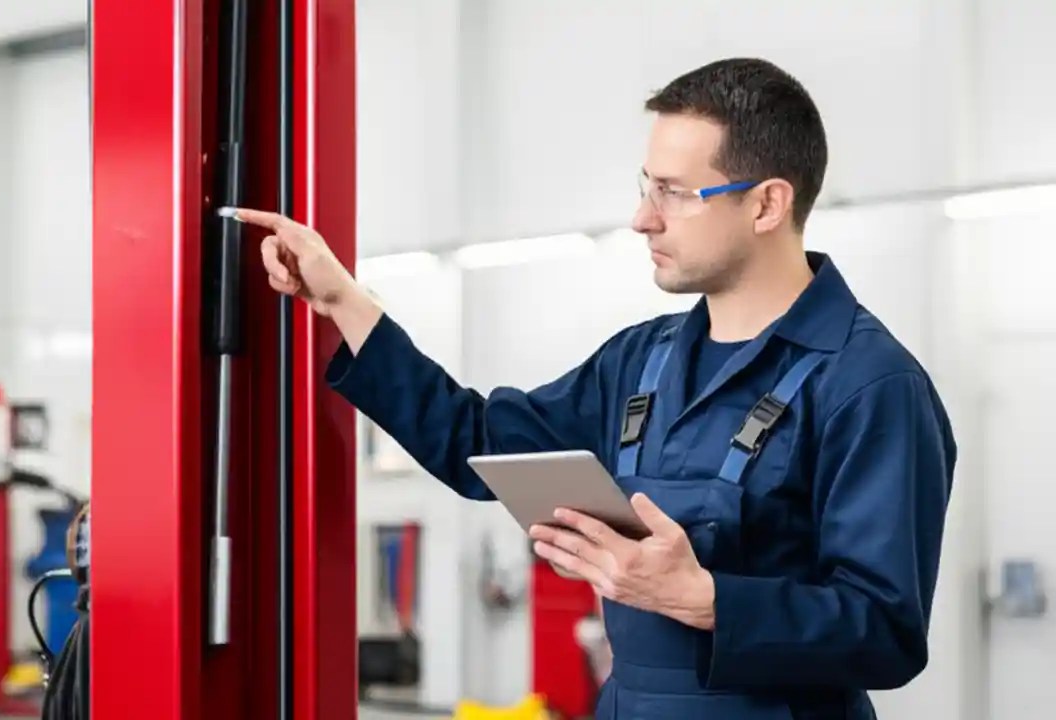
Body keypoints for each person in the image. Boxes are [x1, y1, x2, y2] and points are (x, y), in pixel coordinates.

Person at [230, 57, 955, 720]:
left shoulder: (869, 385)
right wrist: (344, 300)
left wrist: (707, 600)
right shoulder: (641, 364)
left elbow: (887, 632)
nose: (643, 218)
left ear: (767, 205)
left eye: (674, 193)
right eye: (646, 187)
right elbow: (476, 443)